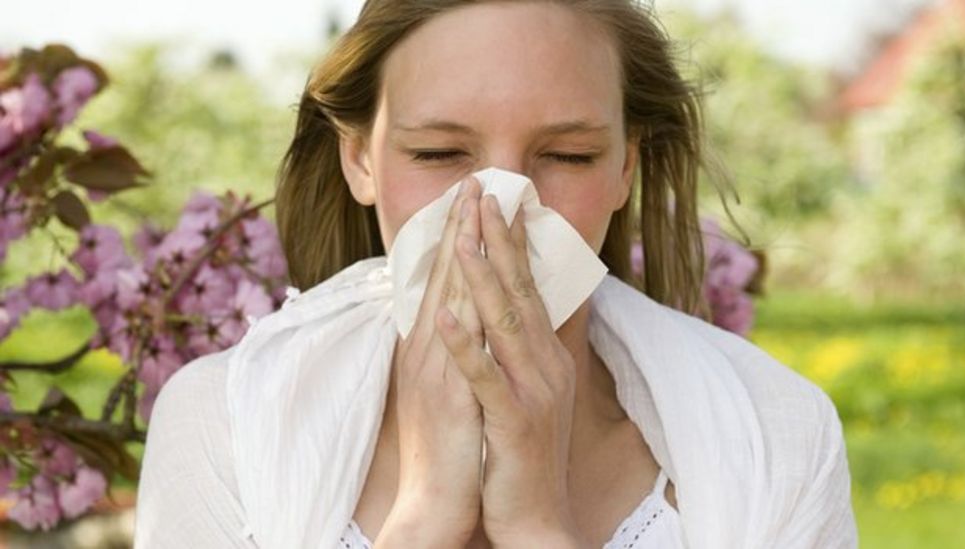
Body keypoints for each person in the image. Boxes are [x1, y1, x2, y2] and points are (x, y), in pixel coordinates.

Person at [134, 1, 858, 548]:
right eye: (440, 154)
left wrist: (539, 523)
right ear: (359, 157)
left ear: (625, 165)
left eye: (569, 156)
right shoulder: (226, 424)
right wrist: (423, 514)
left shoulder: (778, 437)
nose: (503, 210)